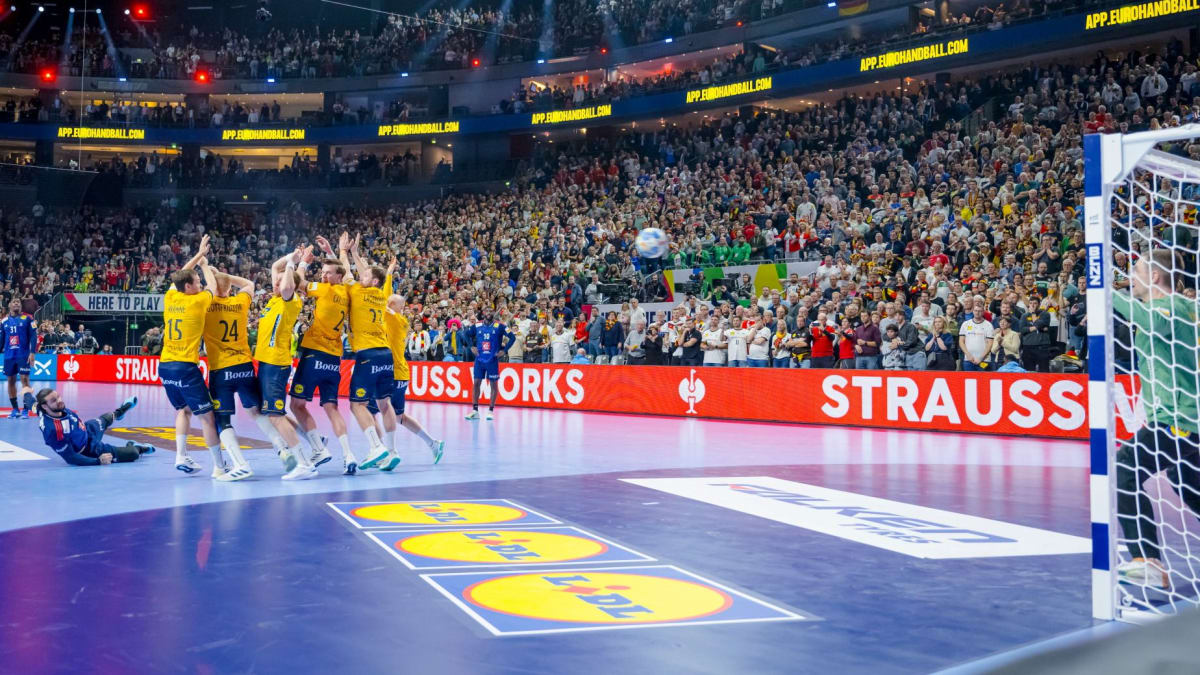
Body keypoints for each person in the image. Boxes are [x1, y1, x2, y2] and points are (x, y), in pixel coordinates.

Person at [1112, 250, 1200, 589]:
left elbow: (1155, 322)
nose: (1130, 277)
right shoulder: (1184, 306)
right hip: (1183, 419)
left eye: (1136, 270)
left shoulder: (1171, 307)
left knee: (1125, 468)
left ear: (1155, 277)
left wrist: (1107, 293)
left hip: (1177, 419)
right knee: (1187, 483)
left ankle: (1147, 561)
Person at [203, 263, 292, 481]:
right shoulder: (239, 301)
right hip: (243, 365)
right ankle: (282, 448)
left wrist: (210, 272)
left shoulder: (204, 304)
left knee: (222, 419)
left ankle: (240, 464)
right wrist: (224, 278)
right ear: (229, 289)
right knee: (257, 412)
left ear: (213, 287)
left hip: (221, 369)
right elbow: (249, 284)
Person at [290, 235, 359, 475]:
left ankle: (319, 448)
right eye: (323, 273)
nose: (323, 275)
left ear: (336, 278)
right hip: (334, 359)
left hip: (314, 355)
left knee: (297, 404)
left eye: (328, 273)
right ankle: (348, 454)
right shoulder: (348, 292)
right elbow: (345, 269)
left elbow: (297, 284)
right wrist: (333, 251)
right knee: (331, 407)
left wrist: (301, 263)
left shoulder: (326, 290)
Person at [159, 234, 225, 476]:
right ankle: (219, 467)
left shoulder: (171, 296)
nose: (199, 284)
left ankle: (181, 456)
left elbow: (181, 275)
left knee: (183, 410)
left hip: (165, 366)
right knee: (207, 417)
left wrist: (198, 255)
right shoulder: (197, 301)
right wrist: (205, 265)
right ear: (189, 287)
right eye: (195, 281)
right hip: (185, 366)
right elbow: (214, 287)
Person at [255, 245, 318, 480]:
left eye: (281, 282)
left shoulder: (289, 301)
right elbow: (274, 267)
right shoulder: (274, 300)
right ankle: (314, 443)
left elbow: (290, 284)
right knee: (272, 412)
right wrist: (296, 260)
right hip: (266, 362)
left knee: (275, 415)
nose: (276, 283)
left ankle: (303, 462)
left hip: (276, 363)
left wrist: (292, 264)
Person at [341, 234, 399, 470]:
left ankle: (376, 446)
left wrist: (344, 253)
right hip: (386, 354)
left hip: (367, 354)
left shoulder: (357, 291)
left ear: (372, 281)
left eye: (364, 276)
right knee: (384, 404)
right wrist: (357, 254)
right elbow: (370, 272)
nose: (360, 276)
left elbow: (348, 274)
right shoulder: (381, 294)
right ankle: (391, 451)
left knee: (357, 404)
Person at [372, 289, 444, 469]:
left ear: (396, 306)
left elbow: (379, 300)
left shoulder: (396, 318)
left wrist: (383, 276)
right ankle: (433, 443)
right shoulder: (396, 319)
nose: (387, 304)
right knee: (398, 416)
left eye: (391, 303)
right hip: (398, 373)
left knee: (379, 409)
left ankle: (388, 452)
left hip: (394, 372)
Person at [37, 390, 152, 465]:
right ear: (45, 406)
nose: (60, 401)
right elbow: (71, 457)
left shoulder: (44, 409)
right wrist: (98, 461)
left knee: (106, 417)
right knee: (133, 454)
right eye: (54, 401)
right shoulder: (53, 431)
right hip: (89, 450)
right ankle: (137, 447)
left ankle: (120, 412)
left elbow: (32, 404)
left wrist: (27, 391)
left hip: (86, 431)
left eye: (58, 397)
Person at [465, 307, 514, 420]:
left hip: (492, 359)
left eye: (490, 311)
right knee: (476, 383)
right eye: (486, 311)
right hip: (479, 359)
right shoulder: (477, 325)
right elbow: (466, 334)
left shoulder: (500, 326)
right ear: (483, 313)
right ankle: (475, 410)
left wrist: (504, 350)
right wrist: (471, 346)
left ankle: (491, 410)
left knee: (493, 384)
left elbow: (512, 337)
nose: (488, 313)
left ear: (493, 313)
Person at [2, 299, 37, 419]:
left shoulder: (28, 318)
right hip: (9, 356)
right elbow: (1, 340)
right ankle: (15, 409)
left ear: (21, 306)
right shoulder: (4, 321)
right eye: (14, 302)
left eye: (18, 302)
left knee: (25, 380)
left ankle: (26, 410)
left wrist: (32, 352)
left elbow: (33, 336)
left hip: (23, 355)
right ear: (9, 305)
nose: (16, 303)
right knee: (10, 381)